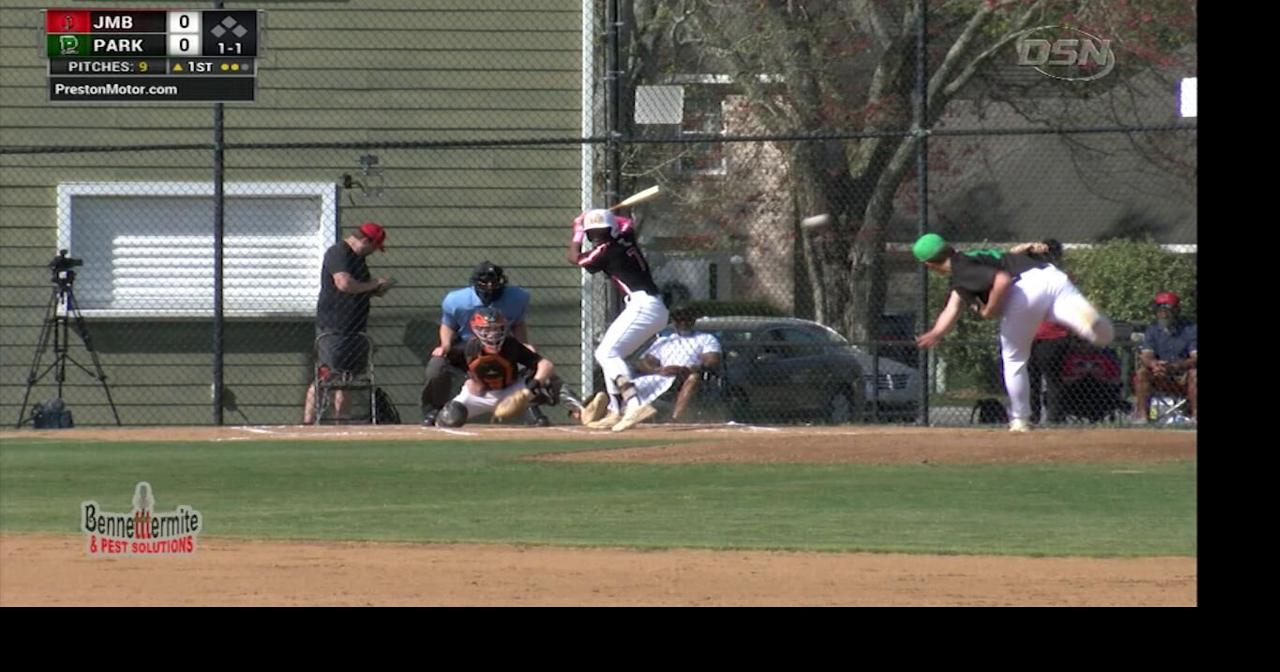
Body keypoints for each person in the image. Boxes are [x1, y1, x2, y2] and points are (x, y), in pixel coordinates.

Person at [912, 233, 1114, 433]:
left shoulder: (961, 269)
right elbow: (953, 307)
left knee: (1014, 359)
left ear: (929, 264)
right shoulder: (972, 259)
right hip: (1051, 276)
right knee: (1098, 335)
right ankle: (1092, 323)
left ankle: (1020, 420)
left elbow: (1002, 279)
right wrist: (937, 332)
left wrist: (989, 309)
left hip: (1024, 291)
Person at [568, 208, 669, 432]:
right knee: (608, 354)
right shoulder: (626, 237)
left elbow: (574, 258)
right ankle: (615, 410)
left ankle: (635, 404)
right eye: (592, 233)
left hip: (644, 306)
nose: (596, 237)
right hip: (649, 305)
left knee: (606, 354)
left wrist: (577, 231)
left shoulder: (605, 251)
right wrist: (603, 216)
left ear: (610, 229)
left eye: (600, 232)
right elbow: (627, 222)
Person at [420, 261, 540, 426]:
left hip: (501, 348)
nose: (490, 286)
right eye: (485, 282)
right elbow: (448, 324)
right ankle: (435, 409)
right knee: (436, 366)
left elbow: (518, 323)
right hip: (467, 349)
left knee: (535, 362)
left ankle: (531, 409)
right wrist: (445, 345)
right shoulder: (457, 300)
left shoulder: (516, 298)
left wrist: (524, 344)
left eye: (494, 282)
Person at [303, 222, 392, 423]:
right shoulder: (338, 253)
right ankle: (307, 422)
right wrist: (374, 283)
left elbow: (358, 287)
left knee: (347, 378)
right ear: (365, 240)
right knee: (326, 375)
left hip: (355, 326)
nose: (372, 252)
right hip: (335, 326)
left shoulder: (359, 259)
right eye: (373, 247)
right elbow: (344, 284)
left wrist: (375, 289)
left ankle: (341, 420)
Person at [432, 307, 556, 428]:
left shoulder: (511, 345)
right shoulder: (466, 348)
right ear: (476, 330)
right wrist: (468, 378)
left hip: (511, 392)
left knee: (548, 379)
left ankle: (573, 408)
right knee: (451, 419)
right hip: (479, 396)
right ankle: (435, 413)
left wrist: (528, 390)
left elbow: (546, 365)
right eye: (487, 330)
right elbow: (448, 366)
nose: (492, 334)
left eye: (496, 329)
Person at [620, 307, 722, 423]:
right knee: (623, 378)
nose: (683, 323)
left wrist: (689, 368)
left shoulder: (705, 338)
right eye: (679, 320)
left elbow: (712, 360)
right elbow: (643, 362)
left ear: (693, 320)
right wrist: (658, 370)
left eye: (686, 319)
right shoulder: (665, 340)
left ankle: (675, 419)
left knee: (694, 378)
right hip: (661, 376)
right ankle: (624, 413)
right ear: (674, 322)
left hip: (686, 375)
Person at [1009, 239, 1072, 425]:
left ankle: (1049, 419)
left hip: (1051, 335)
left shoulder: (1055, 276)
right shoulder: (1033, 275)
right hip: (1033, 335)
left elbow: (1009, 257)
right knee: (1035, 380)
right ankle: (1040, 419)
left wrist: (1026, 248)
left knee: (1048, 380)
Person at [1132, 291, 1196, 424]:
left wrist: (1176, 366)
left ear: (1176, 310)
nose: (1163, 314)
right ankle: (1142, 417)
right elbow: (1146, 355)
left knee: (1195, 374)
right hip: (1160, 375)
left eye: (1168, 310)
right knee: (1142, 372)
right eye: (1160, 310)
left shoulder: (1190, 329)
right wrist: (1154, 364)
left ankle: (1195, 417)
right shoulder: (1152, 329)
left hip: (1183, 377)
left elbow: (1195, 357)